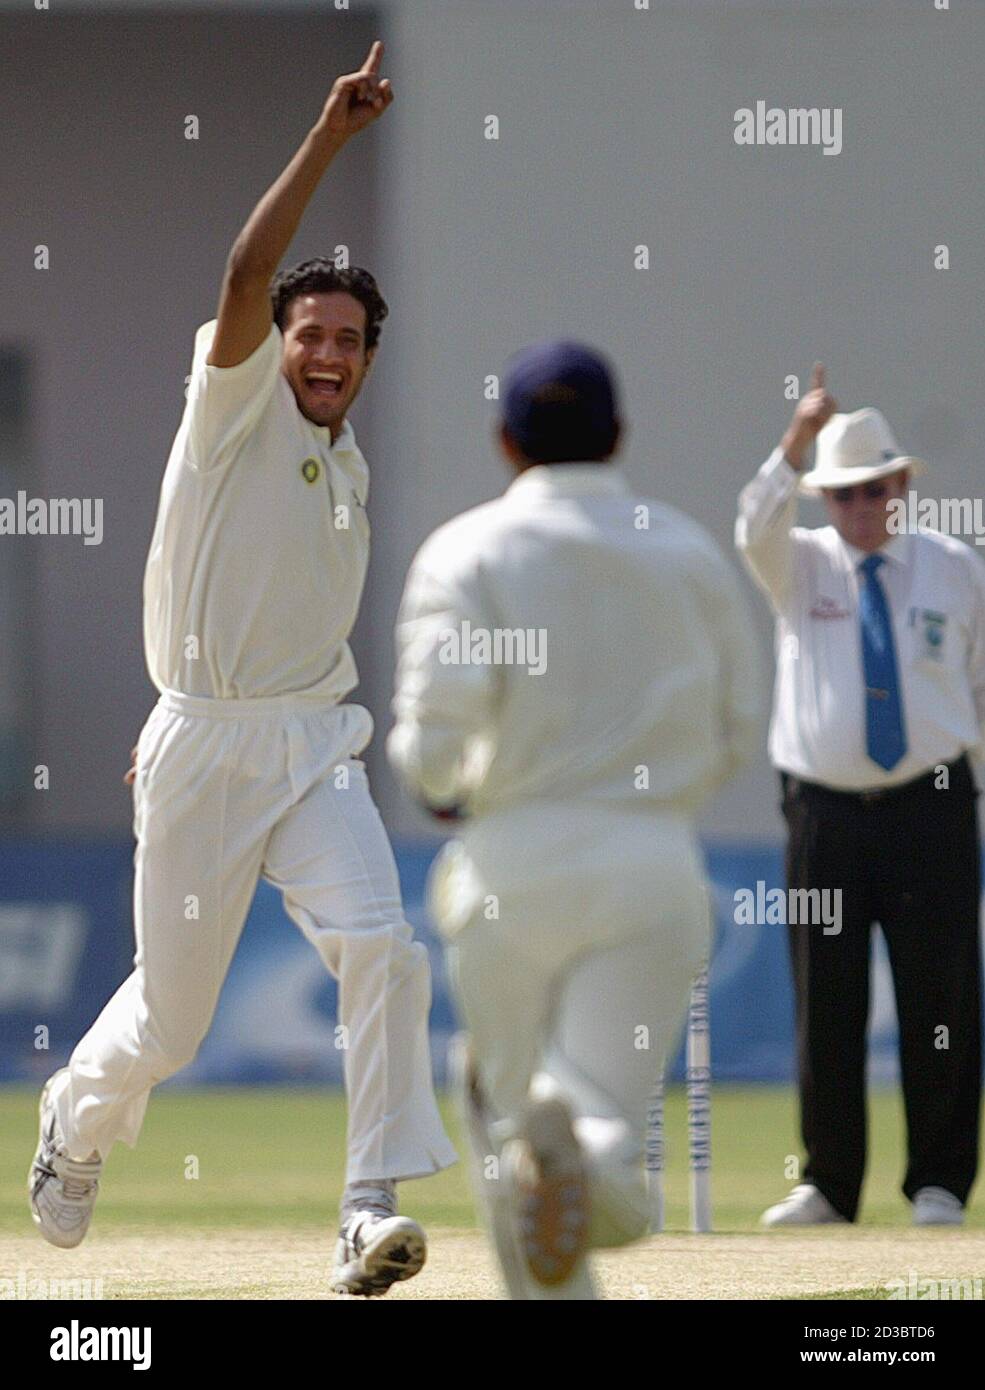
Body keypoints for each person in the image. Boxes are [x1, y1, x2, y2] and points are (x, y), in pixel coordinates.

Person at [28, 40, 456, 1298]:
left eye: (349, 340)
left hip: (312, 740)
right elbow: (246, 268)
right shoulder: (232, 411)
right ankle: (75, 1110)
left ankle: (365, 1210)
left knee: (385, 945)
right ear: (273, 344)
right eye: (310, 334)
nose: (326, 354)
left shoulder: (352, 463)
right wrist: (330, 135)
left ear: (370, 356)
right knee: (171, 1021)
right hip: (205, 744)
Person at [387, 340, 759, 1297]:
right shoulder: (685, 549)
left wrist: (444, 781)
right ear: (618, 435)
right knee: (602, 1119)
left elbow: (432, 739)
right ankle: (589, 1164)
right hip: (649, 866)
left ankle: (558, 1161)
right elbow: (738, 727)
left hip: (509, 864)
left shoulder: (465, 549)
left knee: (508, 1118)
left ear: (506, 442)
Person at [735, 364, 985, 1228]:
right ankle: (829, 1184)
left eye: (873, 490)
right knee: (826, 1000)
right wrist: (793, 443)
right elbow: (752, 524)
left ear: (901, 487)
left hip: (933, 804)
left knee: (940, 998)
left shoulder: (954, 568)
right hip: (823, 812)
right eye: (839, 495)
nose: (858, 509)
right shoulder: (798, 566)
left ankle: (940, 1182)